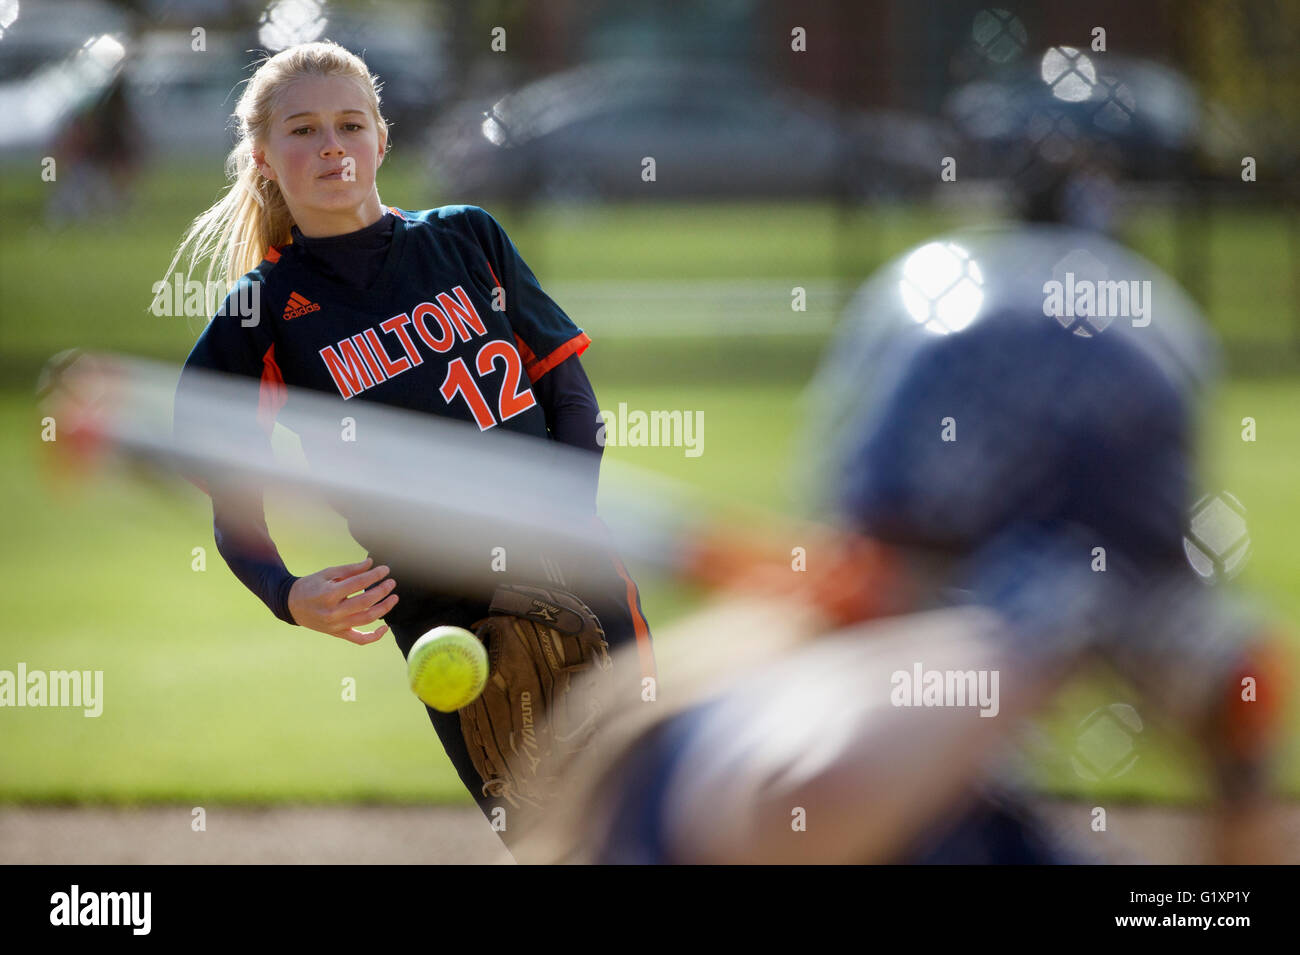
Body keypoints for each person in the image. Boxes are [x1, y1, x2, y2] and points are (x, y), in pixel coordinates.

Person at [515, 224, 1289, 864]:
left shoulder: (977, 818)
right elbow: (808, 795)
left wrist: (1239, 783)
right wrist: (1033, 628)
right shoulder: (729, 729)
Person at [162, 41, 655, 851]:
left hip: (571, 559)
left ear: (381, 140)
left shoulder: (467, 238)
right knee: (550, 832)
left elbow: (567, 392)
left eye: (350, 124)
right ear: (262, 158)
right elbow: (230, 492)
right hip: (438, 607)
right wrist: (283, 591)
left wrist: (561, 516)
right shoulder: (262, 312)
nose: (330, 146)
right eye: (303, 131)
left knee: (651, 802)